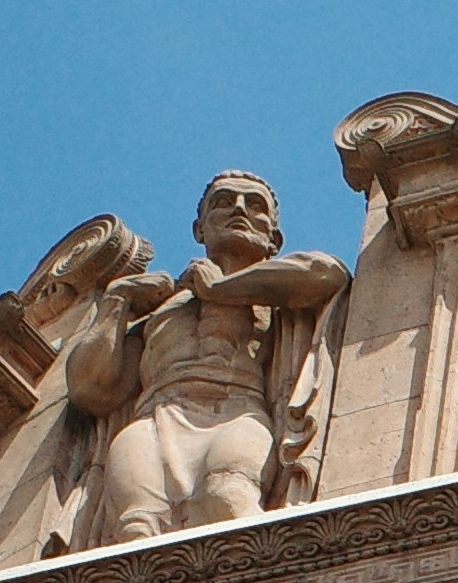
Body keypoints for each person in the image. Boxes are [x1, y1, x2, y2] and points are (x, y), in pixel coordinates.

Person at [71, 172, 349, 538]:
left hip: (236, 412)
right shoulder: (161, 310)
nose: (239, 209)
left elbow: (327, 274)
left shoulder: (278, 295)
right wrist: (117, 299)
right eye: (223, 202)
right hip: (154, 418)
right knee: (135, 527)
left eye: (255, 205)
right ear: (199, 229)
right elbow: (90, 390)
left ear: (273, 239)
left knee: (229, 498)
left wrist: (220, 288)